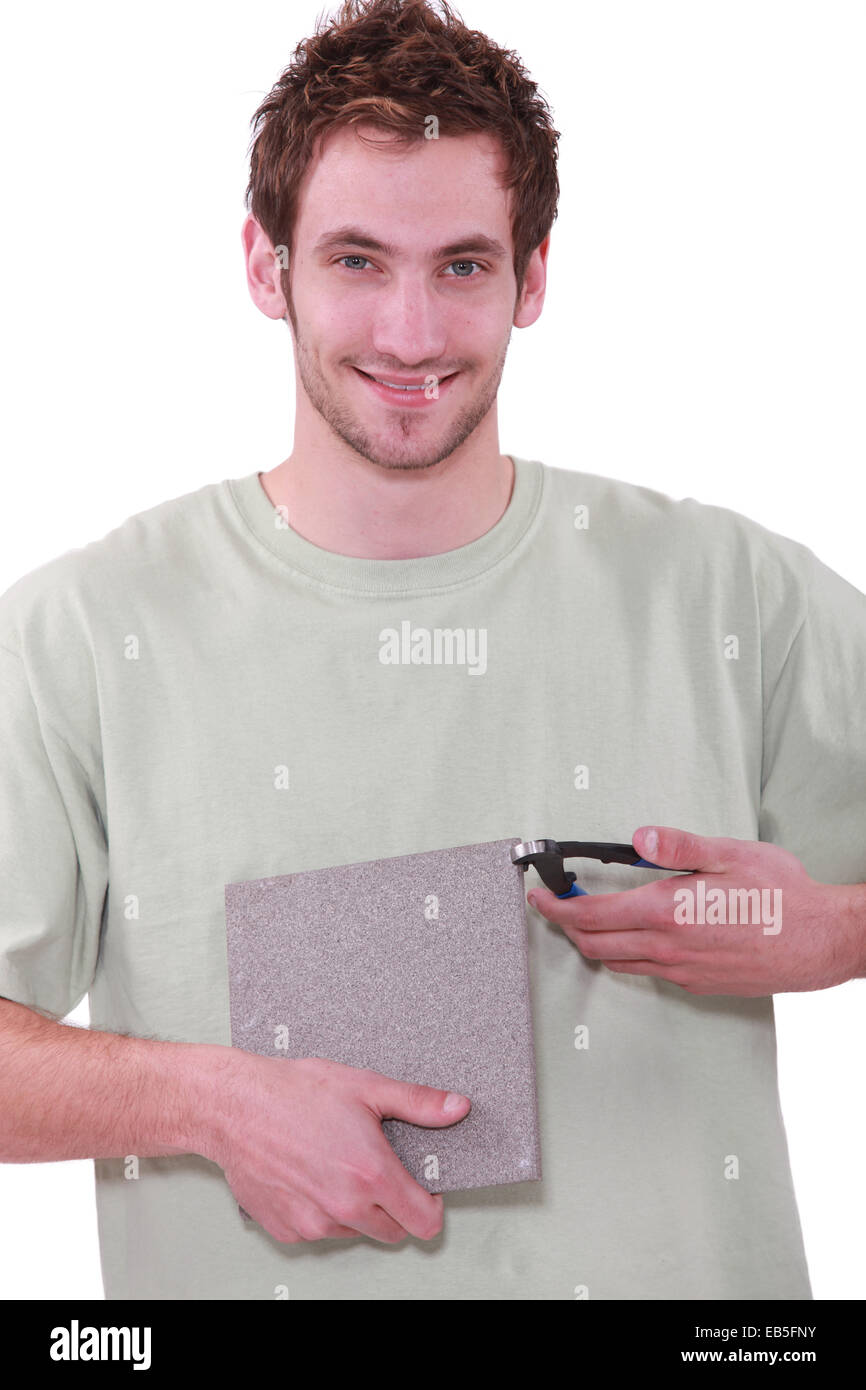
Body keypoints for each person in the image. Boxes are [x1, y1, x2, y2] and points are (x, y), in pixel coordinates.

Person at [1, 0, 864, 1301]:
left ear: (531, 277)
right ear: (262, 262)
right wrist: (206, 1100)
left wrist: (834, 931)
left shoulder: (727, 593)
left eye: (460, 265)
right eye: (355, 259)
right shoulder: (79, 635)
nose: (408, 334)